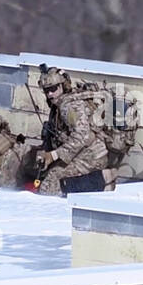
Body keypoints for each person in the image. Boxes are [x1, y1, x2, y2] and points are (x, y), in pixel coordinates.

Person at [33, 66, 110, 195]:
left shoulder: (68, 107)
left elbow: (81, 135)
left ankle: (102, 181)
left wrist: (53, 156)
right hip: (79, 154)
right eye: (46, 91)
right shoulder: (57, 107)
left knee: (50, 185)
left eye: (53, 89)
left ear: (63, 86)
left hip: (91, 157)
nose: (50, 94)